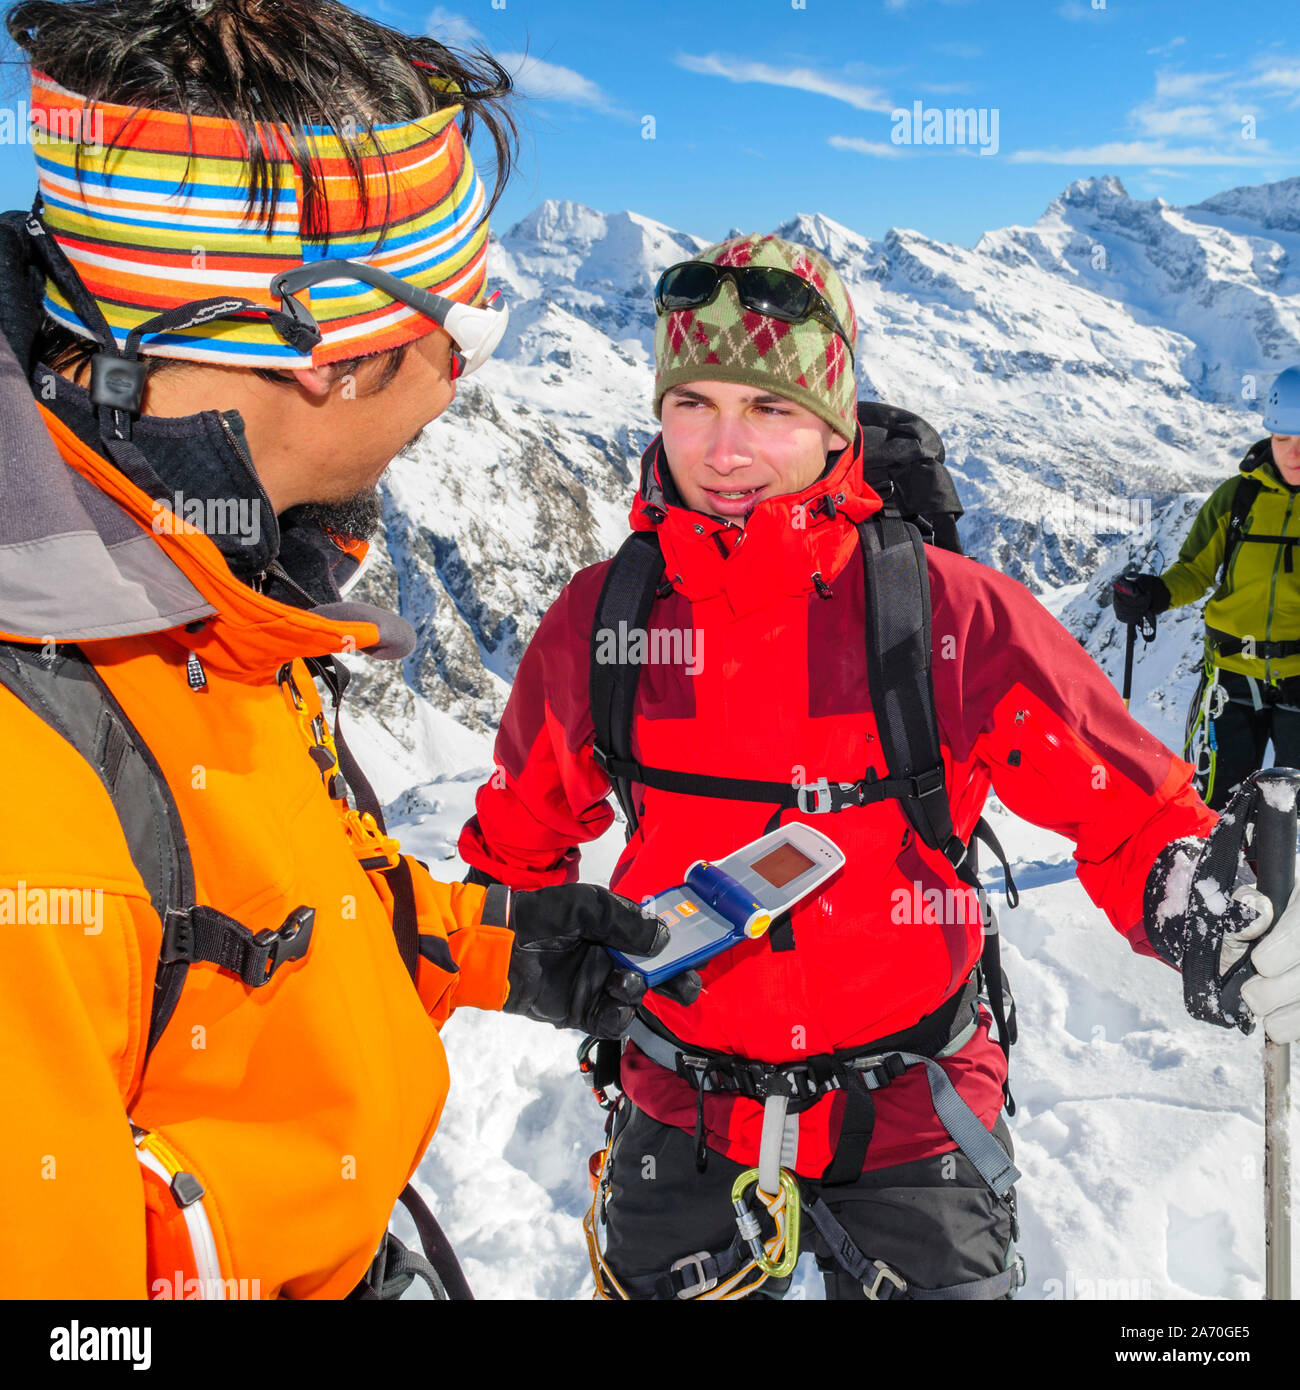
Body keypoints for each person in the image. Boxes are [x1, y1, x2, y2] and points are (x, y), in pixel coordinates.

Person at [0, 0, 691, 1301]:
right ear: (320, 343)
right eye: (468, 327)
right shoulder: (31, 797)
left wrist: (492, 940)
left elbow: (242, 910)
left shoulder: (184, 574)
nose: (471, 372)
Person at [460, 233, 1300, 1301]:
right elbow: (520, 841)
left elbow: (1129, 813)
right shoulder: (603, 622)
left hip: (912, 1105)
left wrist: (1205, 907)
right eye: (694, 404)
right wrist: (521, 940)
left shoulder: (949, 613)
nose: (724, 450)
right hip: (683, 1102)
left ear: (831, 419)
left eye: (769, 409)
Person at [1114, 366, 1300, 810]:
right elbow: (1195, 571)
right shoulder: (1238, 498)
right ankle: (1223, 881)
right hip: (1230, 675)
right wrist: (1155, 594)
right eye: (1283, 439)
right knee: (1218, 807)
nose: (1293, 453)